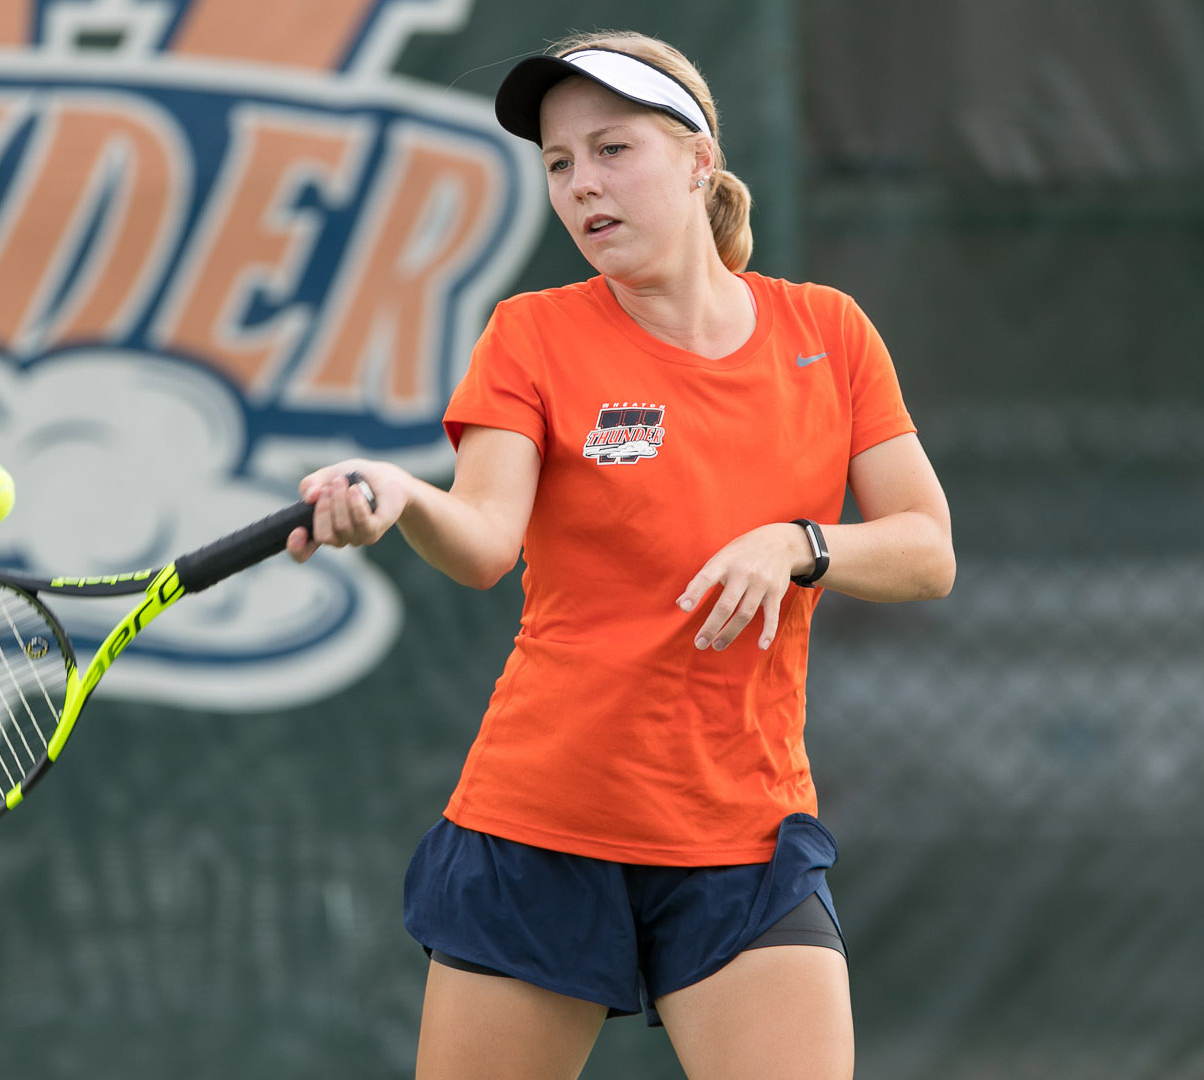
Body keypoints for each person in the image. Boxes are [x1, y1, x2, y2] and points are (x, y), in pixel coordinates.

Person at [286, 30, 953, 1080]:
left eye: (612, 150)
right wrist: (407, 495)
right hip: (539, 827)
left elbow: (926, 550)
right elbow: (481, 544)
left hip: (744, 841)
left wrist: (799, 543)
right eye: (559, 164)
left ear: (697, 159)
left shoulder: (828, 331)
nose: (583, 185)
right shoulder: (532, 336)